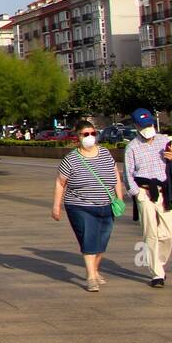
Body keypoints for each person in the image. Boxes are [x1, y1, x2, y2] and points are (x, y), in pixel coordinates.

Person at [52, 119, 125, 292]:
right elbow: (60, 183)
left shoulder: (106, 154)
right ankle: (91, 277)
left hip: (107, 204)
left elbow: (115, 176)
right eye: (86, 134)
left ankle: (95, 270)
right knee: (89, 239)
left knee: (102, 241)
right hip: (80, 205)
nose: (90, 137)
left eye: (93, 133)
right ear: (78, 136)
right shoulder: (70, 159)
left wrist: (119, 198)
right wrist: (56, 206)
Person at [123, 108, 172, 288]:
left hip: (165, 191)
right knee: (150, 234)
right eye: (142, 125)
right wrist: (137, 194)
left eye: (149, 124)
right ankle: (157, 273)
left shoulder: (164, 141)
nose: (147, 128)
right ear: (135, 126)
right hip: (144, 192)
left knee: (168, 233)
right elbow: (127, 174)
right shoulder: (132, 147)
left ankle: (159, 262)